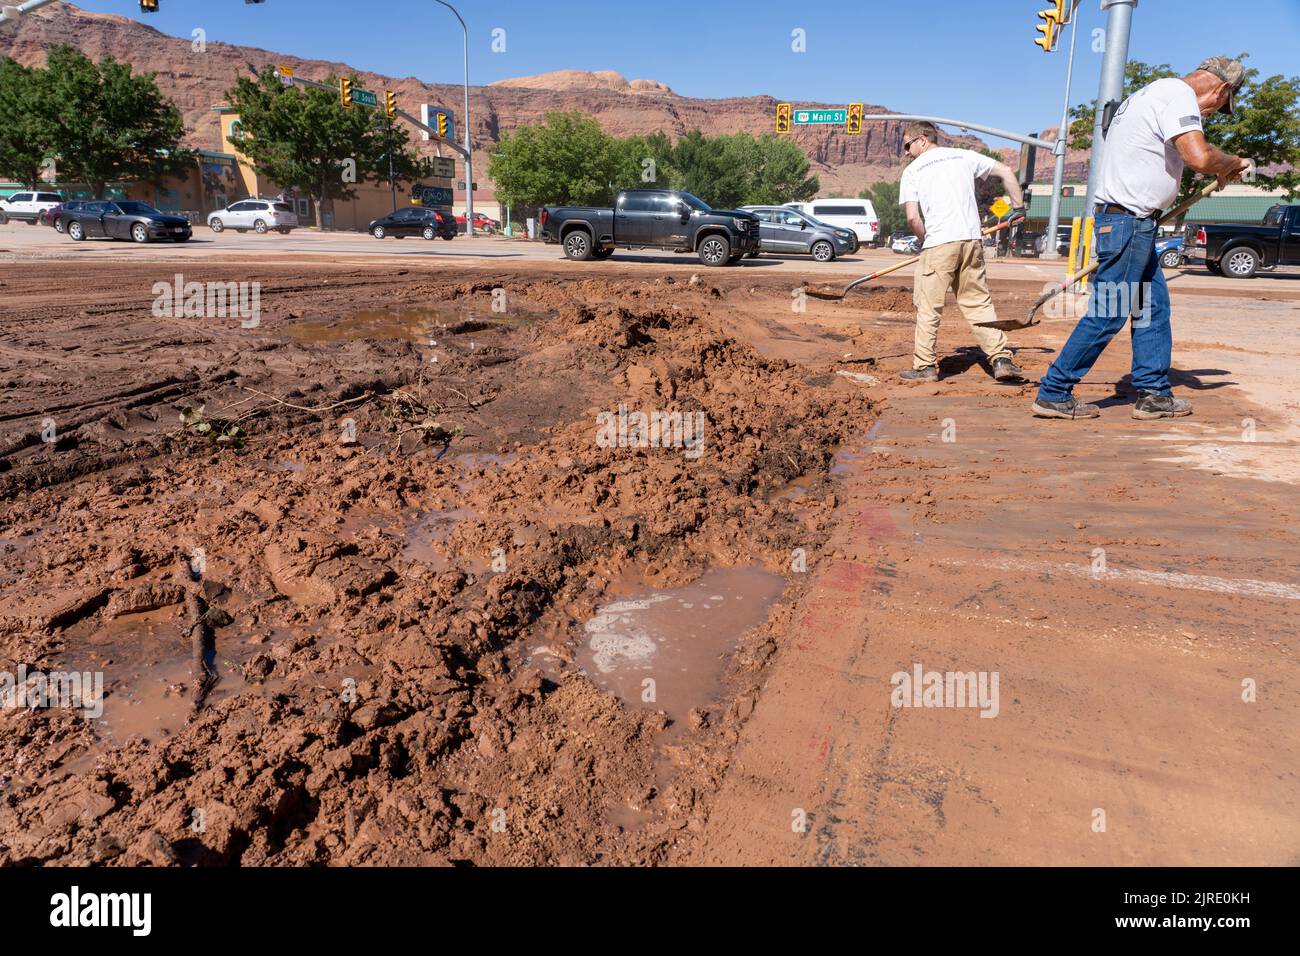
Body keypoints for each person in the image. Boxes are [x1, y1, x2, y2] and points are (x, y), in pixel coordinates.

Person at [1033, 57, 1252, 420]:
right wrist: (1231, 162)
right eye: (1220, 106)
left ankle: (1153, 394)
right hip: (1127, 224)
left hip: (1134, 224)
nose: (1213, 113)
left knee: (1152, 308)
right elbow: (1197, 155)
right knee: (1110, 311)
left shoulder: (1154, 94)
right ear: (1221, 89)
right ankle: (1054, 391)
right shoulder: (1178, 94)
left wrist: (1221, 165)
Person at [897, 122, 1027, 383]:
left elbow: (913, 218)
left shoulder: (913, 171)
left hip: (939, 244)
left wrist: (927, 242)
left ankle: (925, 367)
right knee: (978, 303)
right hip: (971, 240)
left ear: (922, 139)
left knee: (928, 307)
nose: (907, 153)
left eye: (907, 146)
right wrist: (1019, 208)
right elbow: (1005, 170)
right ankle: (1001, 359)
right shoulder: (964, 156)